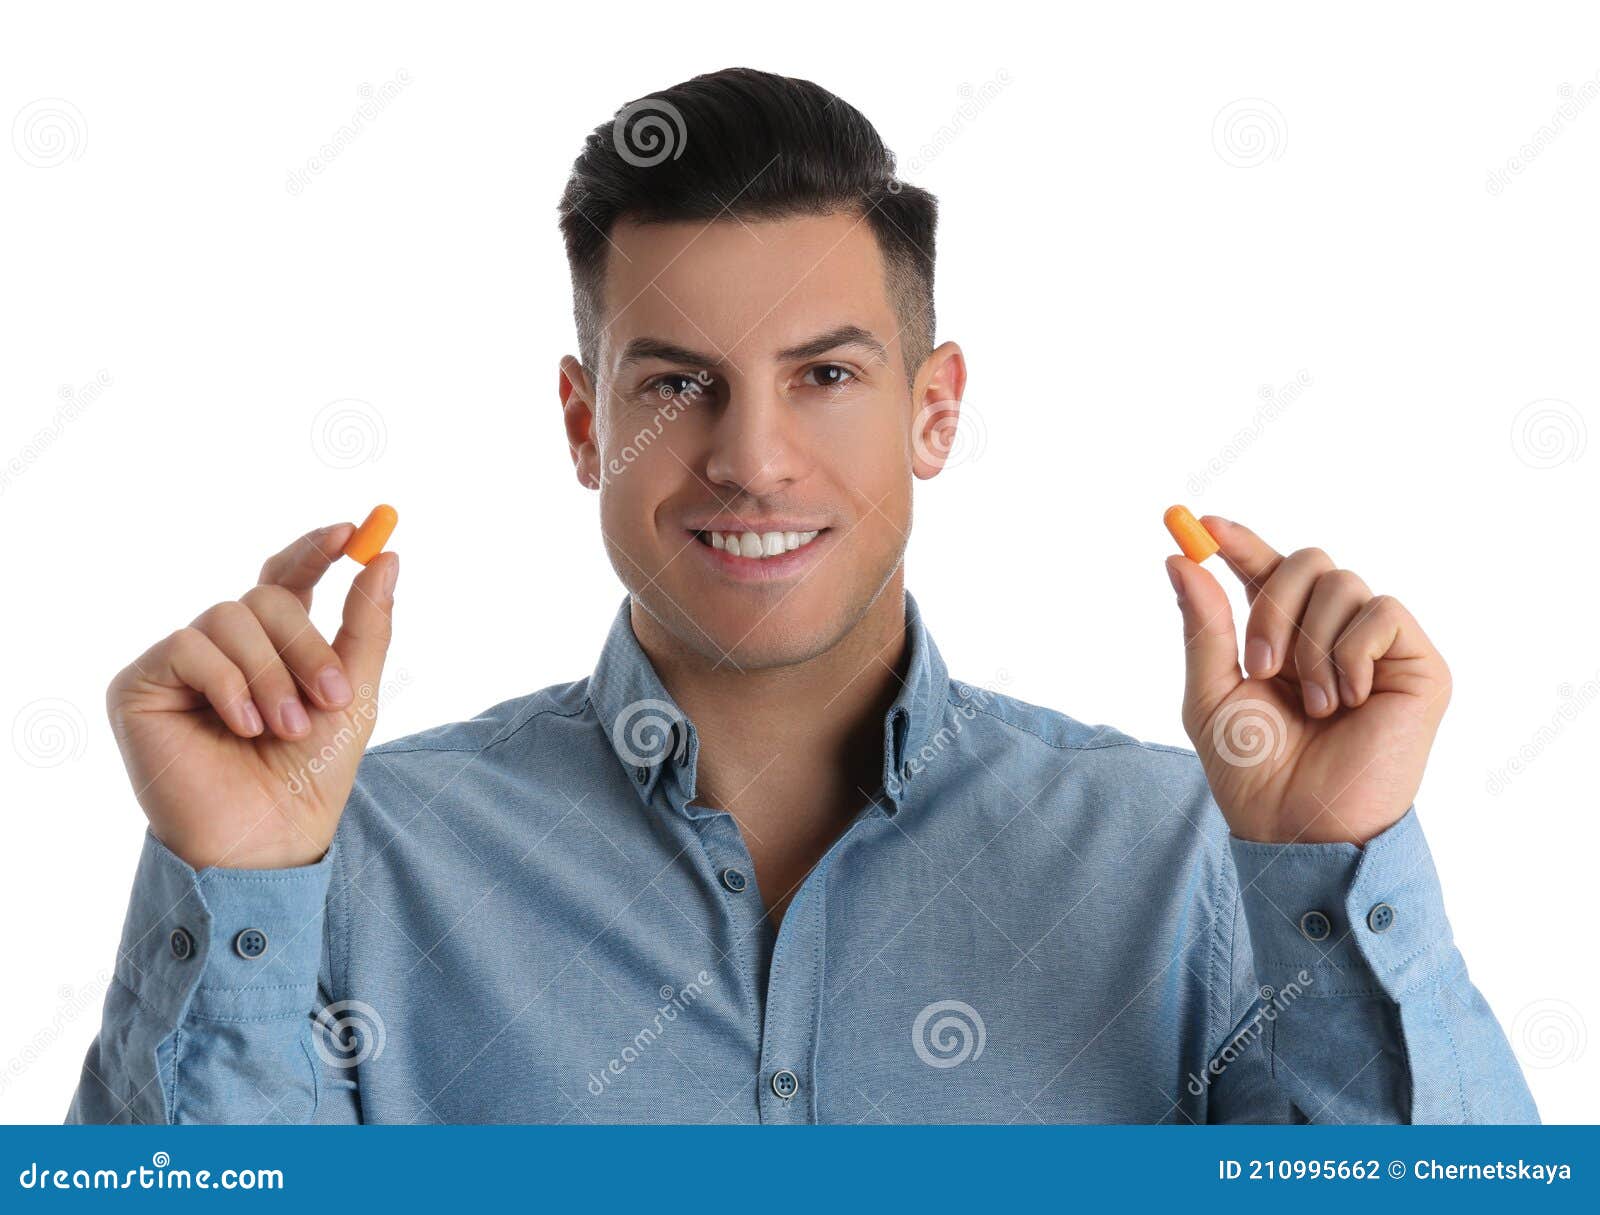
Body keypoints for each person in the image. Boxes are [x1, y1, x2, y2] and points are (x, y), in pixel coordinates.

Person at [68, 67, 1536, 1125]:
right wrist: (246, 886)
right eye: (678, 385)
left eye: (825, 376)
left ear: (935, 410)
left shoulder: (1193, 859)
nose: (751, 460)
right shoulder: (350, 865)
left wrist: (1331, 867)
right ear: (587, 425)